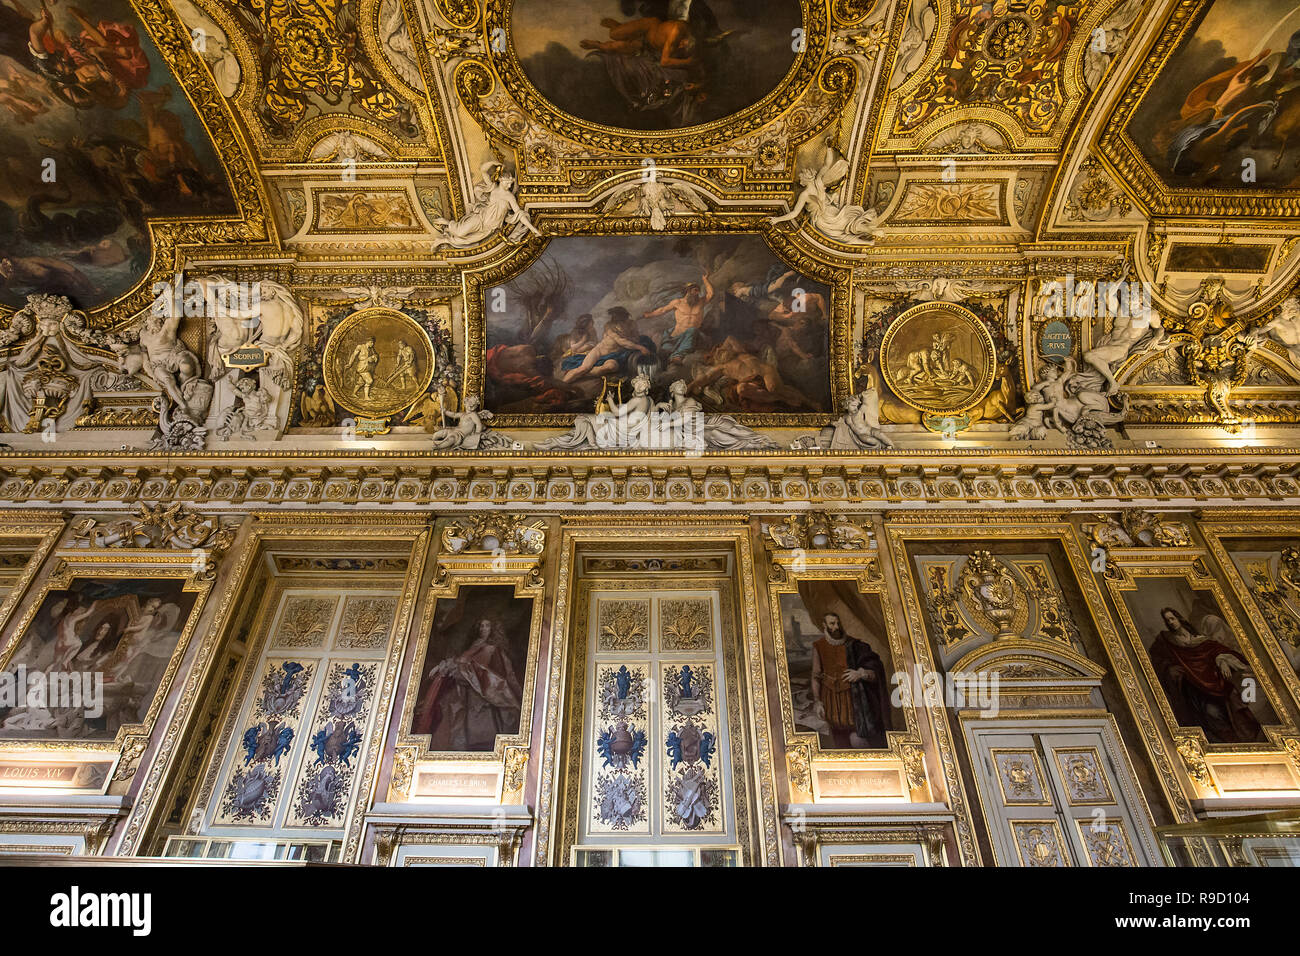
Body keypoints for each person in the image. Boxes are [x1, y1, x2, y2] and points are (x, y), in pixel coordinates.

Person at [1148, 606, 1264, 744]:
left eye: (1172, 618)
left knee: (1236, 709)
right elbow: (1158, 659)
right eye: (1167, 620)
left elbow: (1218, 650)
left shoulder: (1199, 639)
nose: (1170, 623)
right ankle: (1231, 743)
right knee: (1212, 713)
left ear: (1179, 618)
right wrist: (1171, 669)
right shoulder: (1168, 641)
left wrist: (1221, 659)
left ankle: (1248, 741)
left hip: (1216, 682)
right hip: (1197, 689)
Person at [411, 617, 524, 751]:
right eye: (481, 626)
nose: (483, 629)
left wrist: (457, 668)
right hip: (468, 690)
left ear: (492, 629)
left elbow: (485, 669)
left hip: (483, 691)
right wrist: (446, 666)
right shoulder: (474, 645)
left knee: (482, 732)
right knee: (458, 722)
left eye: (487, 626)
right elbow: (462, 662)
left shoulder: (491, 649)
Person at [810, 612, 890, 749]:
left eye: (838, 623)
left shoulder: (855, 645)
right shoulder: (819, 646)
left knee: (859, 741)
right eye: (832, 624)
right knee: (839, 743)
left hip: (854, 701)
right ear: (824, 625)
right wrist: (817, 701)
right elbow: (816, 676)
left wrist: (861, 673)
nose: (837, 627)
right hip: (830, 702)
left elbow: (875, 668)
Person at [644, 273, 713, 365]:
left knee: (692, 330)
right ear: (688, 291)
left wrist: (705, 280)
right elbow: (662, 310)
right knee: (663, 353)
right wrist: (650, 314)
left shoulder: (701, 302)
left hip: (692, 335)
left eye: (698, 291)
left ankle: (677, 355)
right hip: (676, 335)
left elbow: (711, 293)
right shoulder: (677, 302)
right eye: (695, 290)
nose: (697, 293)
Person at [347, 337, 379, 401]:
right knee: (369, 381)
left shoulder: (371, 349)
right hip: (362, 367)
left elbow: (375, 355)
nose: (372, 344)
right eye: (371, 342)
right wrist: (350, 363)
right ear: (368, 342)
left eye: (373, 342)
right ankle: (366, 397)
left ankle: (353, 393)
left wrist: (374, 357)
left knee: (361, 382)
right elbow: (354, 355)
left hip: (367, 367)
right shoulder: (360, 347)